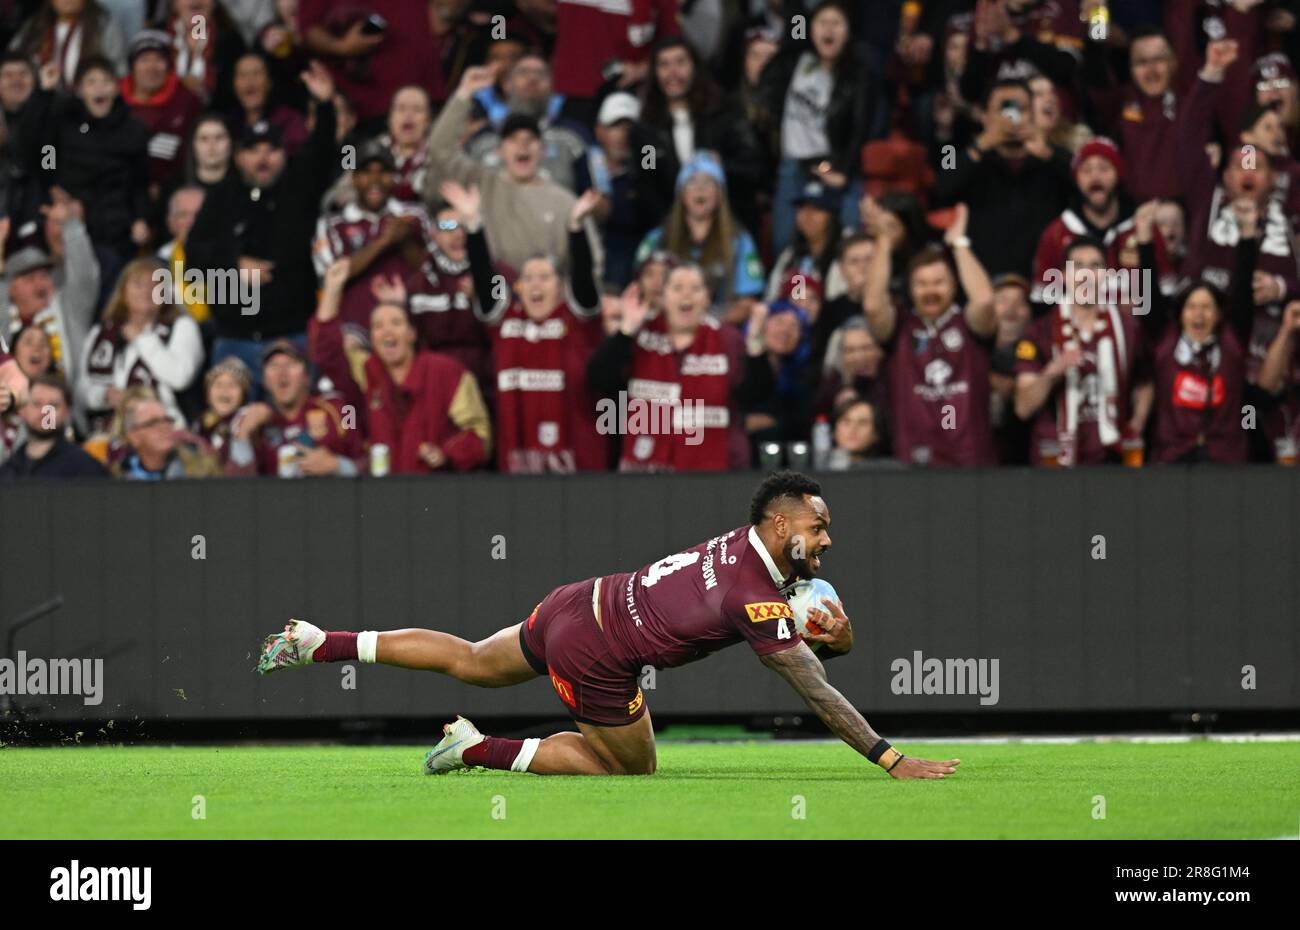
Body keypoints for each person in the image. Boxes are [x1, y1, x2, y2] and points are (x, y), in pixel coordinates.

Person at [256, 470, 961, 780]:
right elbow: (811, 685)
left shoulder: (751, 550)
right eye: (819, 526)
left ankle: (321, 642)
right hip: (596, 655)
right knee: (632, 766)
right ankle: (470, 750)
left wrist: (837, 639)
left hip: (580, 600)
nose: (828, 537)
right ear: (780, 525)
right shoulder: (756, 595)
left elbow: (818, 648)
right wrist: (889, 758)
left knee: (471, 659)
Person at [185, 61, 340, 388]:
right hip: (234, 340)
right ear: (239, 157)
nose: (263, 158)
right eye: (253, 150)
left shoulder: (299, 191)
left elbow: (322, 152)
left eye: (271, 149)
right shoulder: (221, 197)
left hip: (291, 338)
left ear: (284, 155)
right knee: (230, 431)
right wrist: (233, 265)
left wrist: (325, 105)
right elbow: (193, 260)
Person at [446, 180, 608, 473]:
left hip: (579, 471)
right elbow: (484, 279)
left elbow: (583, 279)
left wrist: (575, 228)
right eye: (529, 278)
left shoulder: (578, 321)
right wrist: (473, 225)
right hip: (518, 471)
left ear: (560, 287)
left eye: (544, 277)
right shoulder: (506, 322)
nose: (536, 284)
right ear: (518, 288)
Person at [309, 258, 492, 474]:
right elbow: (327, 351)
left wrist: (446, 453)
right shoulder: (367, 370)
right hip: (382, 495)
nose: (387, 331)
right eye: (377, 326)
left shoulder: (446, 372)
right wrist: (331, 289)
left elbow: (480, 436)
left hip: (435, 492)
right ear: (372, 338)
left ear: (412, 334)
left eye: (396, 323)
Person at [587, 263, 772, 471]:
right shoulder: (639, 335)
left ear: (707, 298)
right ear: (663, 297)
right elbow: (599, 379)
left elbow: (756, 395)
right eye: (677, 288)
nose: (687, 295)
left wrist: (756, 343)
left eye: (695, 288)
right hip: (643, 470)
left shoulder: (727, 339)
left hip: (712, 473)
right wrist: (626, 328)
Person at [424, 64, 600, 276]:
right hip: (494, 296)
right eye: (513, 140)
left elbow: (592, 262)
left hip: (544, 299)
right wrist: (464, 93)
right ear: (500, 151)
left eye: (530, 140)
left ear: (543, 151)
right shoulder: (483, 184)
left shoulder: (565, 201)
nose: (522, 146)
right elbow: (440, 149)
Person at [863, 203, 999, 466]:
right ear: (911, 289)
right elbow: (872, 305)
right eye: (921, 284)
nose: (930, 291)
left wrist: (958, 243)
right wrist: (883, 241)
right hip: (914, 463)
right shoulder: (901, 325)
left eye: (939, 282)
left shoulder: (968, 324)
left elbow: (984, 301)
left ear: (954, 285)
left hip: (973, 462)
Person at [1013, 236, 1153, 468]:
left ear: (1107, 275)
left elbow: (1145, 382)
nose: (1087, 275)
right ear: (1064, 276)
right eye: (1078, 266)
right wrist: (1053, 371)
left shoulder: (1128, 328)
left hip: (1113, 463)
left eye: (1095, 266)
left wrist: (1137, 424)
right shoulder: (1039, 332)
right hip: (1055, 466)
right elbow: (1023, 407)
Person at [312, 139, 430, 335]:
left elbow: (431, 270)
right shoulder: (332, 224)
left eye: (383, 172)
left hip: (411, 330)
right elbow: (332, 274)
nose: (375, 180)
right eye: (366, 172)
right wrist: (384, 241)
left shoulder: (416, 215)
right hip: (353, 331)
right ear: (354, 179)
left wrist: (406, 241)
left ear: (394, 177)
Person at [77, 257, 204, 435]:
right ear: (123, 291)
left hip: (166, 431)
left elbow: (180, 377)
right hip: (105, 433)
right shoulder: (100, 333)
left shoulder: (182, 326)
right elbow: (81, 390)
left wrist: (143, 338)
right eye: (138, 284)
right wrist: (105, 395)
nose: (146, 291)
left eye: (155, 285)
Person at [633, 152, 765, 323]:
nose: (700, 189)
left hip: (717, 330)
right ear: (681, 193)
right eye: (692, 182)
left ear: (719, 193)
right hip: (664, 328)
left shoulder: (739, 240)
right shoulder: (657, 238)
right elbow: (639, 291)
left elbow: (747, 303)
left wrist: (705, 322)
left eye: (708, 182)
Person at [226, 338, 363, 477]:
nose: (282, 373)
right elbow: (237, 489)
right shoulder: (252, 420)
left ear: (307, 376)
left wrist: (337, 465)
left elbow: (368, 464)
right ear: (265, 380)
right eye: (273, 366)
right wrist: (242, 438)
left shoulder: (342, 409)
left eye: (291, 364)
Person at [119, 28, 203, 196]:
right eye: (144, 60)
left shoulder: (187, 101)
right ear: (132, 66)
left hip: (174, 191)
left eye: (159, 59)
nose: (152, 67)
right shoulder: (114, 100)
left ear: (169, 67)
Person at [0, 373, 107, 478]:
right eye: (37, 403)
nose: (45, 412)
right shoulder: (7, 470)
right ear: (22, 410)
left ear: (67, 412)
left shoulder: (87, 469)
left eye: (53, 405)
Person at [112, 390, 222, 479]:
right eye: (153, 422)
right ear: (134, 436)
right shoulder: (117, 478)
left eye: (166, 420)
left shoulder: (204, 470)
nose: (164, 427)